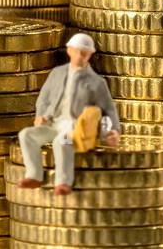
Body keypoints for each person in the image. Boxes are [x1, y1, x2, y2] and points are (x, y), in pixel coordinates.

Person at [17, 33, 121, 195]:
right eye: (77, 51)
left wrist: (111, 130)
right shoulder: (57, 73)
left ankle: (63, 182)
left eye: (84, 53)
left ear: (90, 55)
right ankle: (34, 175)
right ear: (69, 51)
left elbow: (108, 110)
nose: (80, 56)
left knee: (62, 141)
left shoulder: (97, 82)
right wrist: (41, 115)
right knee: (26, 135)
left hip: (74, 128)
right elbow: (44, 98)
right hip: (53, 123)